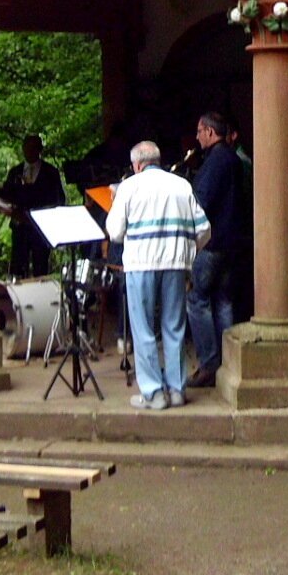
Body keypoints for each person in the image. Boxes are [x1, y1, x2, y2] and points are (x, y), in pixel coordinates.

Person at [104, 139, 208, 411]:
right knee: (174, 327)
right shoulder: (181, 185)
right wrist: (188, 251)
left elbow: (114, 232)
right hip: (176, 264)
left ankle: (153, 394)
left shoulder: (128, 187)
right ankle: (177, 390)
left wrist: (115, 203)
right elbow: (204, 229)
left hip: (141, 264)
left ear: (137, 165)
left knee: (143, 330)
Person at [185, 112, 239, 389]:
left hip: (211, 242)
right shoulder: (233, 158)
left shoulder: (216, 161)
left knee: (197, 301)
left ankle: (208, 364)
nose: (197, 137)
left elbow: (202, 201)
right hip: (230, 240)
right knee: (223, 301)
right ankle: (229, 361)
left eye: (199, 131)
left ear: (209, 131)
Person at [0, 133, 66, 278]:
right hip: (20, 228)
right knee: (18, 268)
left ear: (40, 150)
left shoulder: (51, 172)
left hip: (41, 228)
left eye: (33, 148)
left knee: (41, 268)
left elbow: (59, 199)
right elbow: (6, 198)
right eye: (27, 148)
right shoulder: (15, 172)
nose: (30, 151)